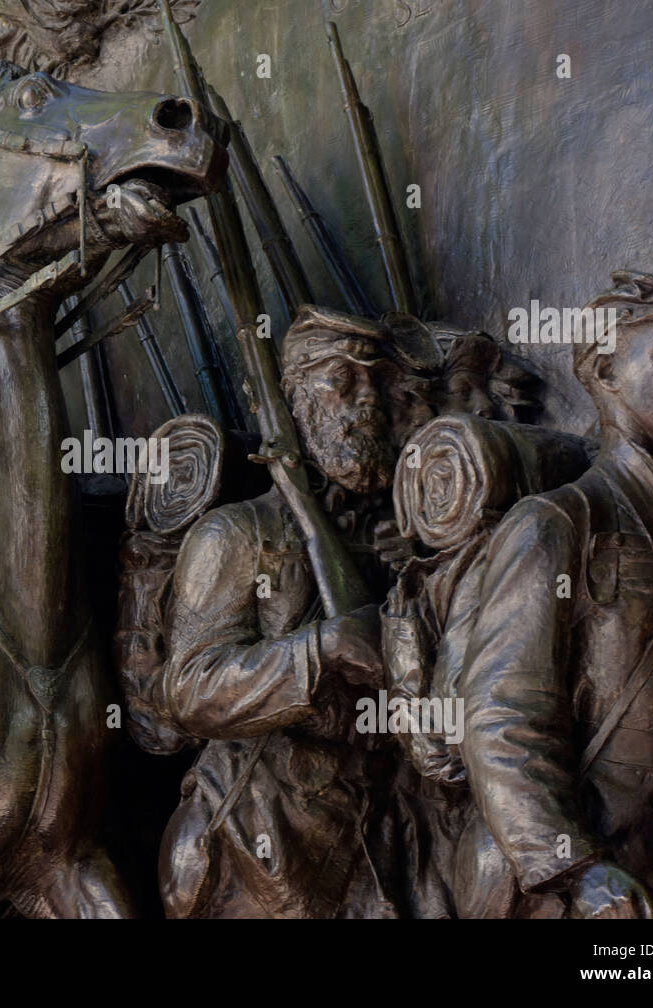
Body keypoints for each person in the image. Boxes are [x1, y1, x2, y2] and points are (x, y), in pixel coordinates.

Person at [456, 271, 653, 917]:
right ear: (605, 372)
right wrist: (578, 869)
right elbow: (503, 716)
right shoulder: (560, 521)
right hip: (599, 874)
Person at [154, 306, 415, 918]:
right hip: (256, 835)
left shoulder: (397, 537)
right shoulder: (236, 536)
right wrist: (318, 649)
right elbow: (190, 690)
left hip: (376, 830)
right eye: (341, 381)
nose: (367, 400)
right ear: (293, 405)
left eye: (376, 382)